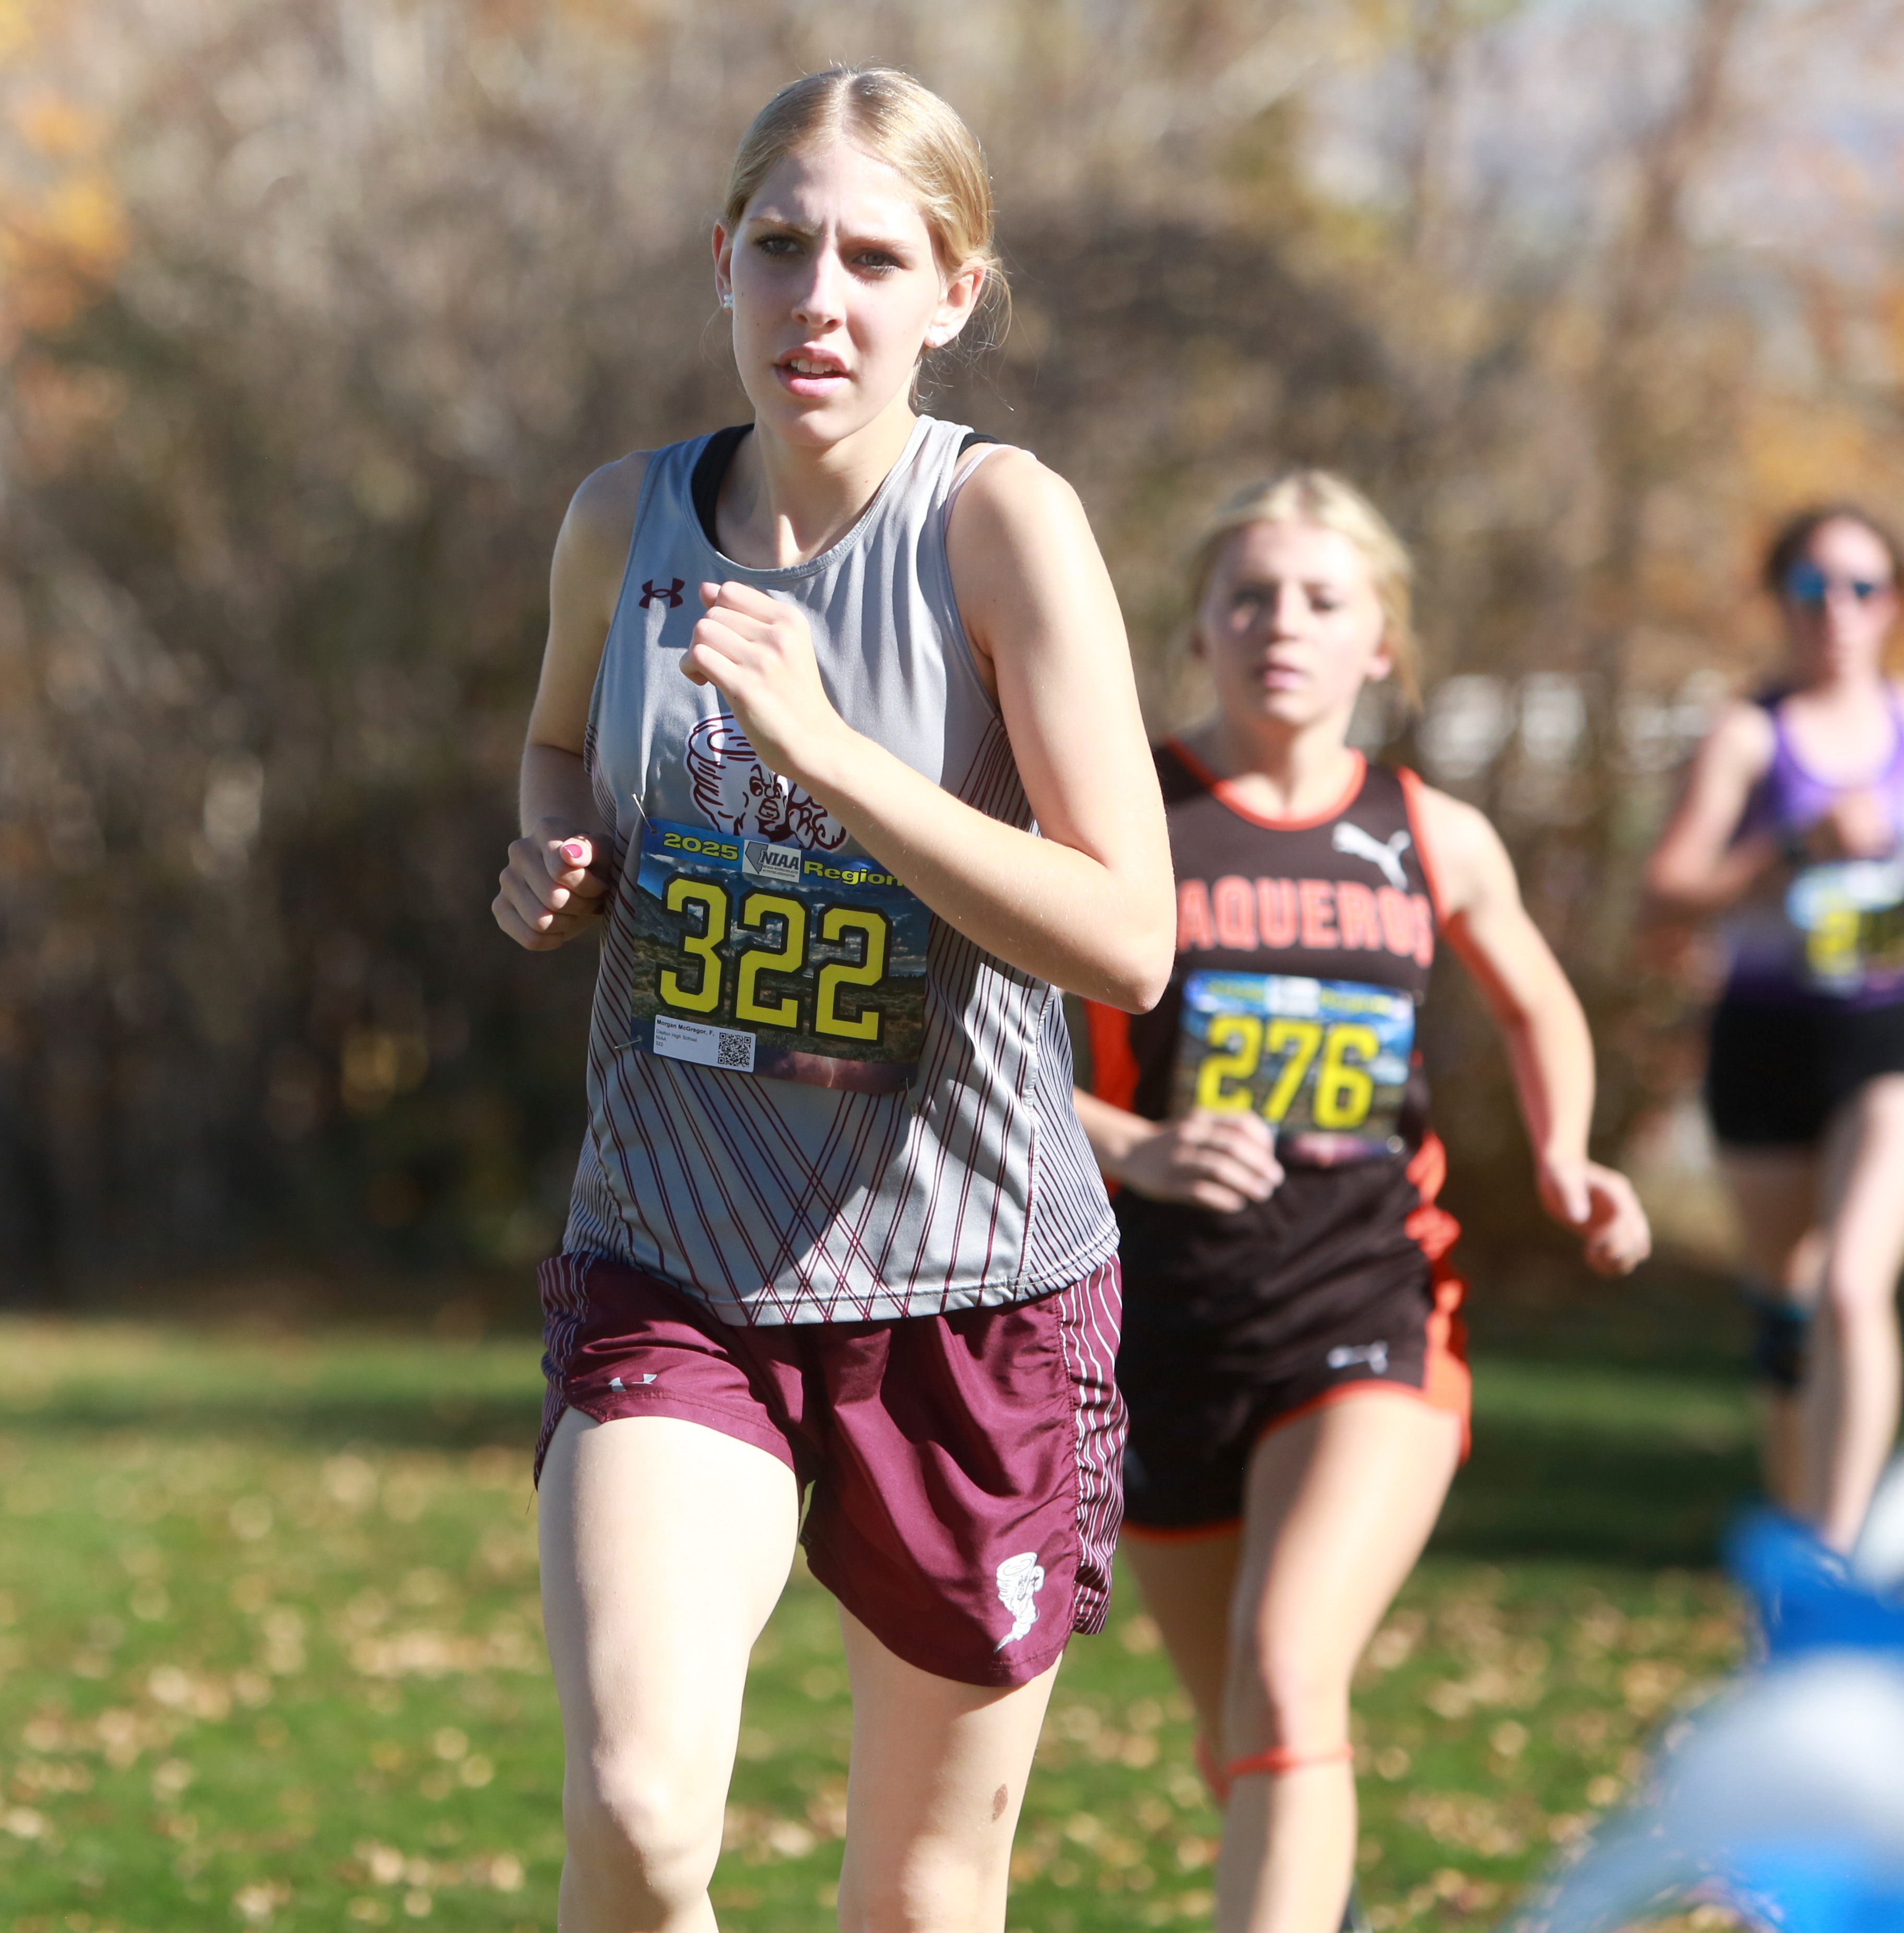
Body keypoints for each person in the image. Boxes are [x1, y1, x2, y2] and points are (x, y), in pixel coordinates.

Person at [490, 66, 1174, 1933]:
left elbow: (1128, 938)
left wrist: (835, 751)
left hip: (972, 1300)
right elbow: (558, 748)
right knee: (636, 1810)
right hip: (676, 1257)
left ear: (954, 292)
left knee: (922, 1888)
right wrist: (551, 853)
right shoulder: (620, 520)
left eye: (877, 256)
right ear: (720, 262)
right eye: (782, 246)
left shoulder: (1002, 527)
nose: (821, 297)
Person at [1072, 471, 1651, 1933]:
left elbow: (1536, 1005)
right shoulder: (1119, 816)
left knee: (1285, 1670)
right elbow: (981, 1059)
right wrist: (1135, 1147)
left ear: (1380, 639)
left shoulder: (1429, 832)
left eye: (1323, 599)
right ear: (1197, 626)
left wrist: (1566, 1150)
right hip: (1159, 1324)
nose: (1283, 623)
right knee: (1246, 1739)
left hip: (1369, 1302)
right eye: (1249, 595)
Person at [1646, 504, 1904, 1553]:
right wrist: (1788, 848)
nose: (1834, 612)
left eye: (1859, 589)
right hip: (1762, 1041)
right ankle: (1799, 1541)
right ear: (1779, 602)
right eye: (1811, 589)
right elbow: (1662, 898)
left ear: (1888, 605)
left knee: (1852, 1285)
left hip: (1882, 1036)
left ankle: (1839, 1564)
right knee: (1787, 1320)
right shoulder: (1747, 735)